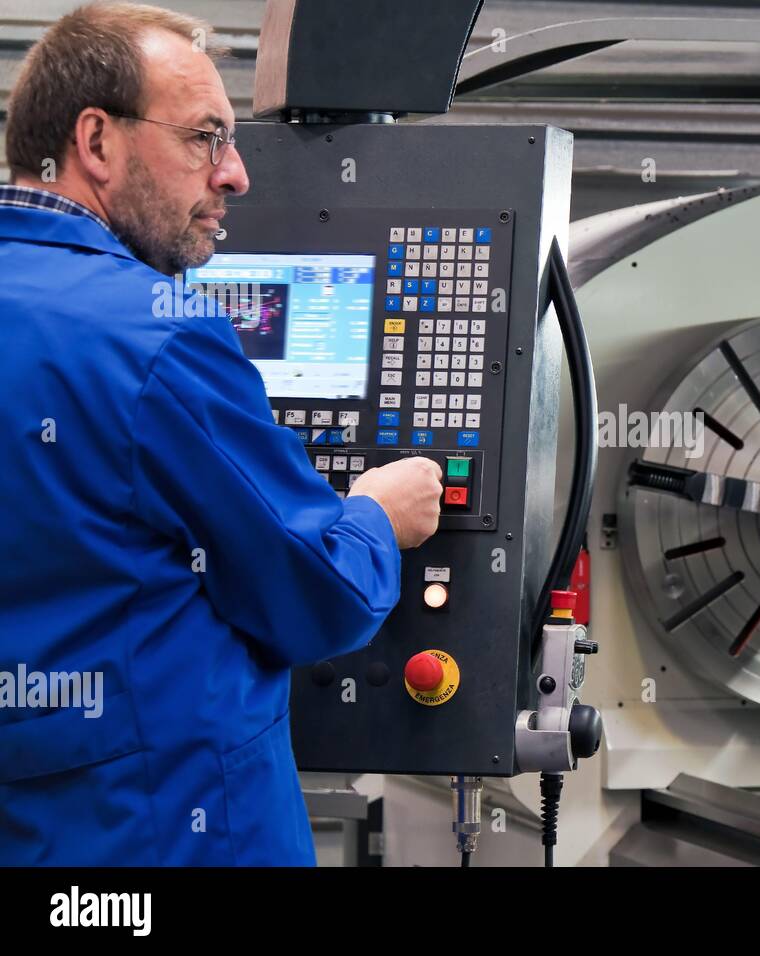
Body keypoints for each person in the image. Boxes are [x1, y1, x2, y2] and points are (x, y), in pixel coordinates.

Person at [0, 2, 442, 865]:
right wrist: (375, 518)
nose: (234, 174)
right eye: (205, 137)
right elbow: (317, 592)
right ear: (97, 142)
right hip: (152, 836)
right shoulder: (156, 335)